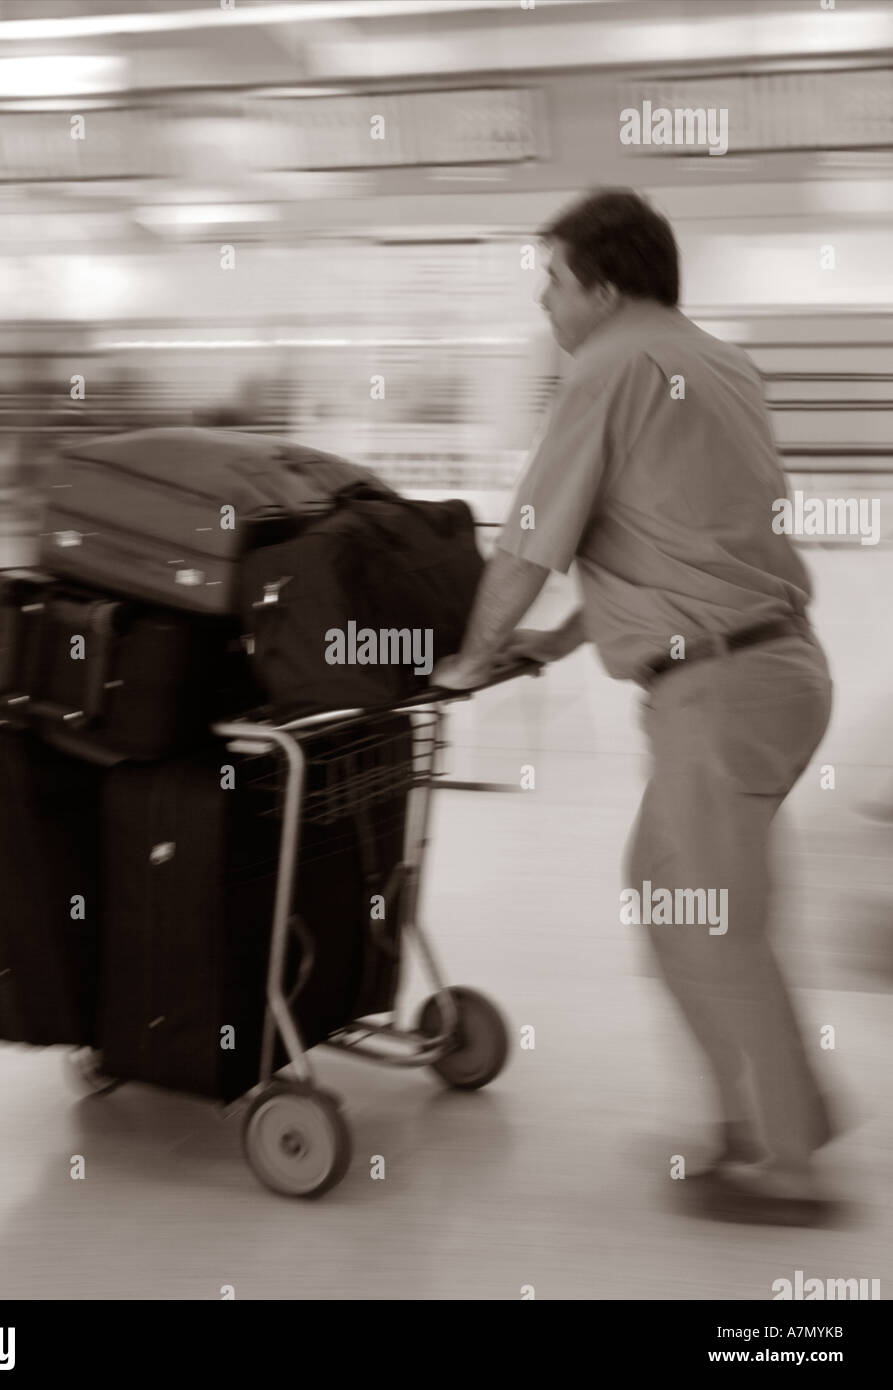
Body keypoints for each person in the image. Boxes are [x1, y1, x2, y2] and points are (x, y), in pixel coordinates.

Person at [432, 188, 839, 1226]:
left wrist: (470, 657)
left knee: (716, 926)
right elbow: (683, 535)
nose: (544, 298)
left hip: (719, 690)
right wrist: (562, 638)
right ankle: (758, 1121)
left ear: (605, 287)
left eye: (555, 278)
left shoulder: (606, 368)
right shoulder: (717, 360)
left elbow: (530, 540)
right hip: (769, 670)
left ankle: (788, 1160)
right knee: (671, 902)